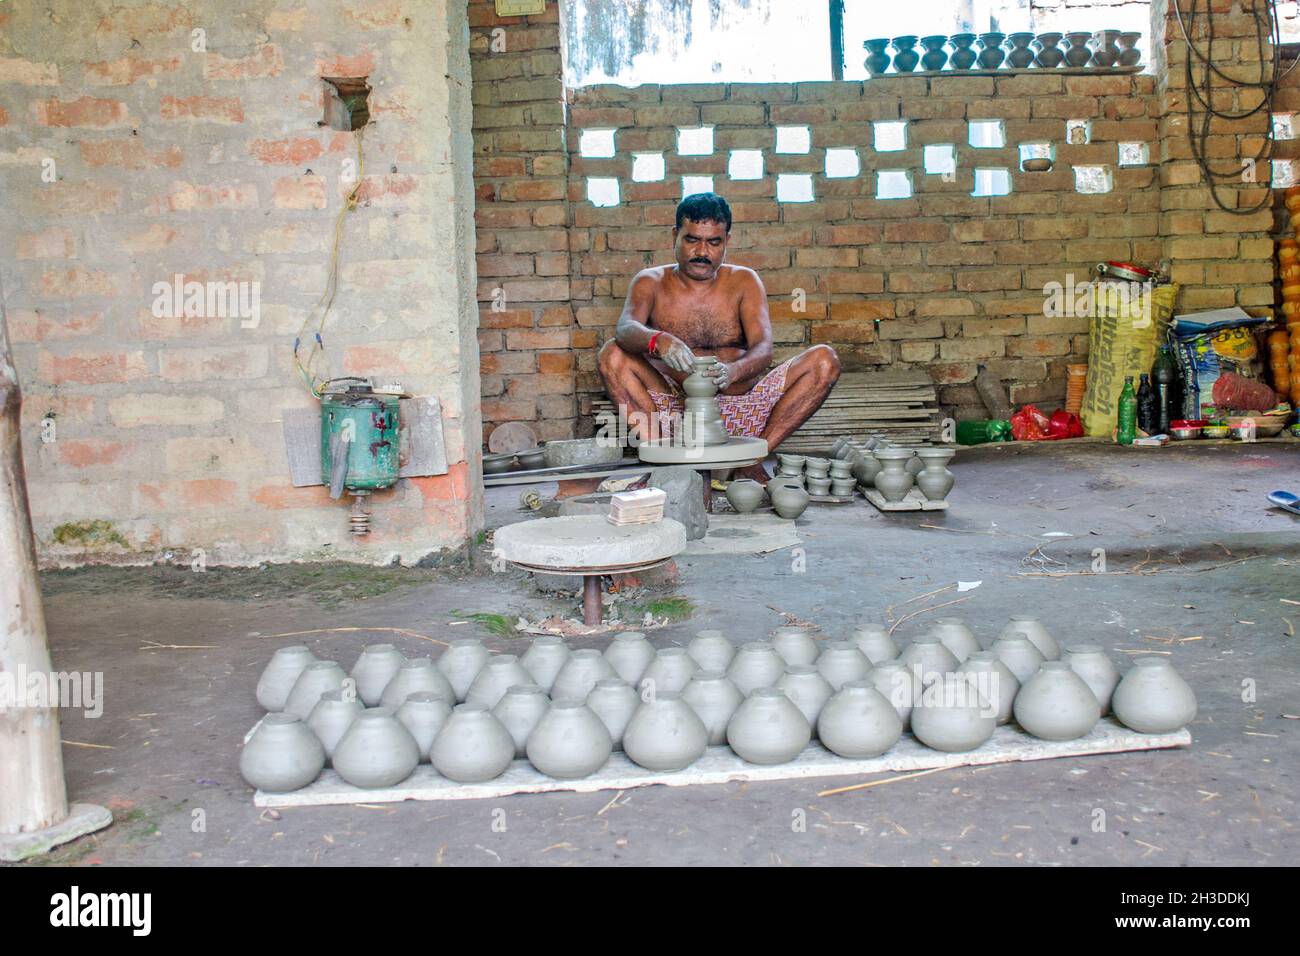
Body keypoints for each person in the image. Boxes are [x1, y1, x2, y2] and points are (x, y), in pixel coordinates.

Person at [597, 192, 840, 484]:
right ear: (675, 235)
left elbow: (763, 348)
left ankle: (752, 458)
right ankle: (666, 465)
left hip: (743, 408)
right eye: (692, 240)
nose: (702, 251)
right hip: (678, 414)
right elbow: (625, 329)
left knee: (825, 360)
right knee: (611, 354)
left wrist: (732, 372)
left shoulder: (744, 280)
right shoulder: (651, 281)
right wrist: (657, 340)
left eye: (714, 242)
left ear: (727, 241)